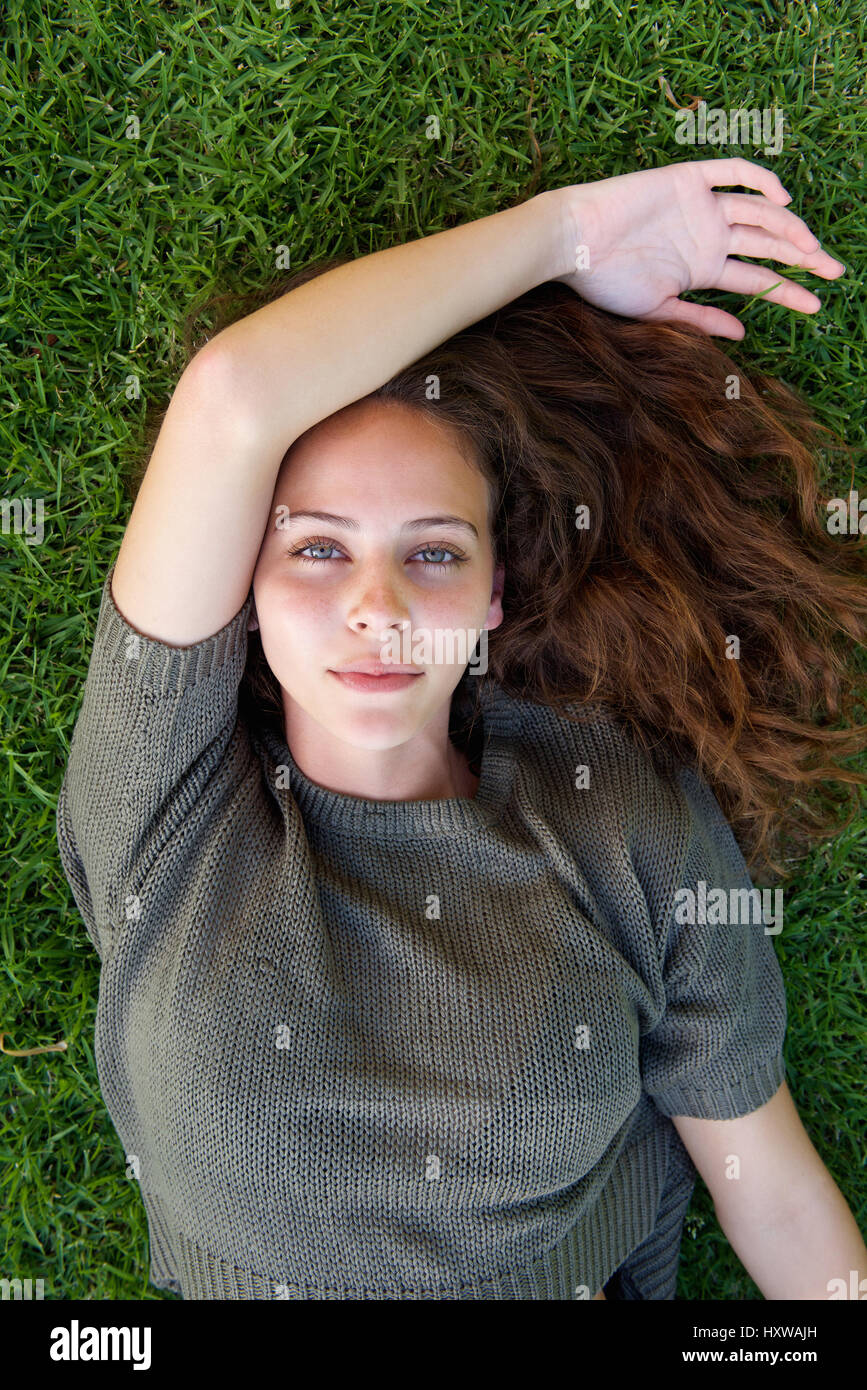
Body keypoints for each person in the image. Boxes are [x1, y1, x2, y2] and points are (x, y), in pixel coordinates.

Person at [56, 158, 867, 1300]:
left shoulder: (615, 815)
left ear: (493, 596)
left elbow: (770, 1189)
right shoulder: (167, 807)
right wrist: (571, 231)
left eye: (432, 551)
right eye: (318, 547)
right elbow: (235, 397)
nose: (376, 605)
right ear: (245, 577)